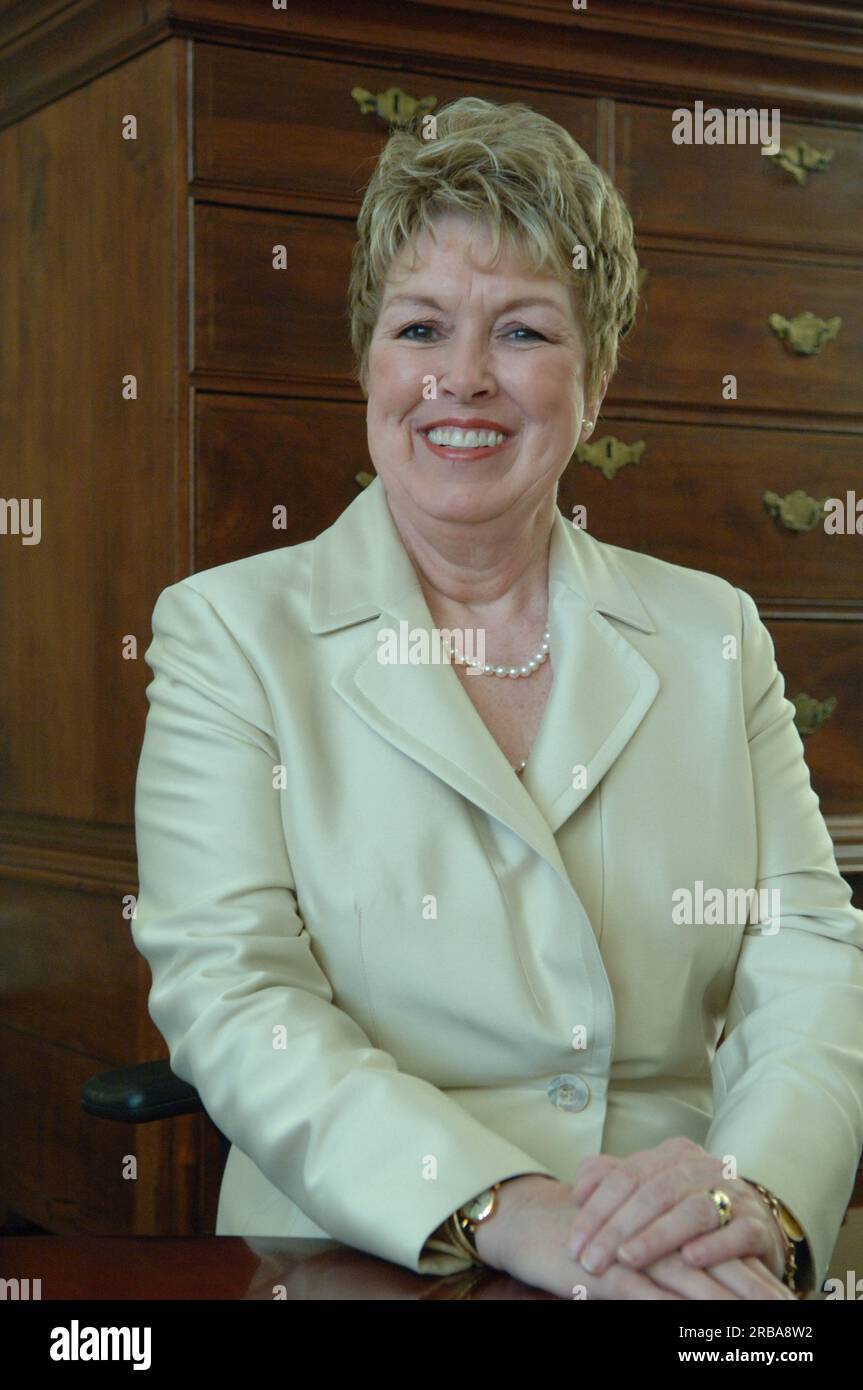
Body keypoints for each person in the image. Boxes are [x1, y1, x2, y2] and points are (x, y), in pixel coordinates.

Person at [131, 97, 863, 1300]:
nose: (460, 380)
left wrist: (756, 1196)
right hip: (364, 1245)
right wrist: (502, 1205)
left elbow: (807, 959)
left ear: (598, 379)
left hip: (680, 1248)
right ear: (370, 360)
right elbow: (234, 992)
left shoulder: (709, 629)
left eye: (522, 333)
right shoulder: (229, 633)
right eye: (420, 328)